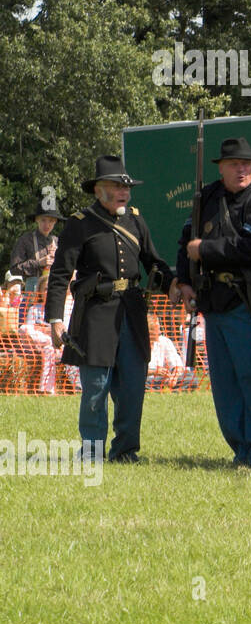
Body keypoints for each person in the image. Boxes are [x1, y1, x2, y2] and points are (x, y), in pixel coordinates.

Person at [46, 155, 175, 462]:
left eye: (126, 187)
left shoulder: (136, 220)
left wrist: (174, 284)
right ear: (98, 190)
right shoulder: (80, 224)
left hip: (131, 311)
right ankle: (92, 452)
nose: (124, 193)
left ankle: (126, 451)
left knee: (132, 385)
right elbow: (60, 274)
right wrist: (55, 319)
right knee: (96, 387)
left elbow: (153, 261)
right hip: (95, 313)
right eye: (117, 187)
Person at [172, 137, 251, 469]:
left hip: (246, 302)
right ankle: (242, 451)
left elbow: (250, 246)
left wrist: (205, 250)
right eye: (235, 164)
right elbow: (186, 241)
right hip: (213, 303)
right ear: (221, 168)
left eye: (247, 164)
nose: (242, 169)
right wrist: (185, 281)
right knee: (225, 386)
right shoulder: (207, 198)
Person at [10, 195, 63, 291]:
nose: (47, 224)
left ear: (55, 221)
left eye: (51, 221)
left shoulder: (58, 242)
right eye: (43, 220)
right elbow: (14, 269)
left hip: (54, 290)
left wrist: (58, 260)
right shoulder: (25, 240)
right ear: (36, 219)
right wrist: (38, 263)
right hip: (32, 293)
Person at [146, 312, 197, 390]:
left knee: (191, 378)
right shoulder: (136, 344)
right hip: (145, 378)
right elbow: (133, 371)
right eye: (156, 329)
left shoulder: (164, 341)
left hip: (161, 379)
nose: (159, 332)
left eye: (159, 328)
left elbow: (177, 364)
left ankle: (165, 387)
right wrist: (154, 372)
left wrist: (174, 376)